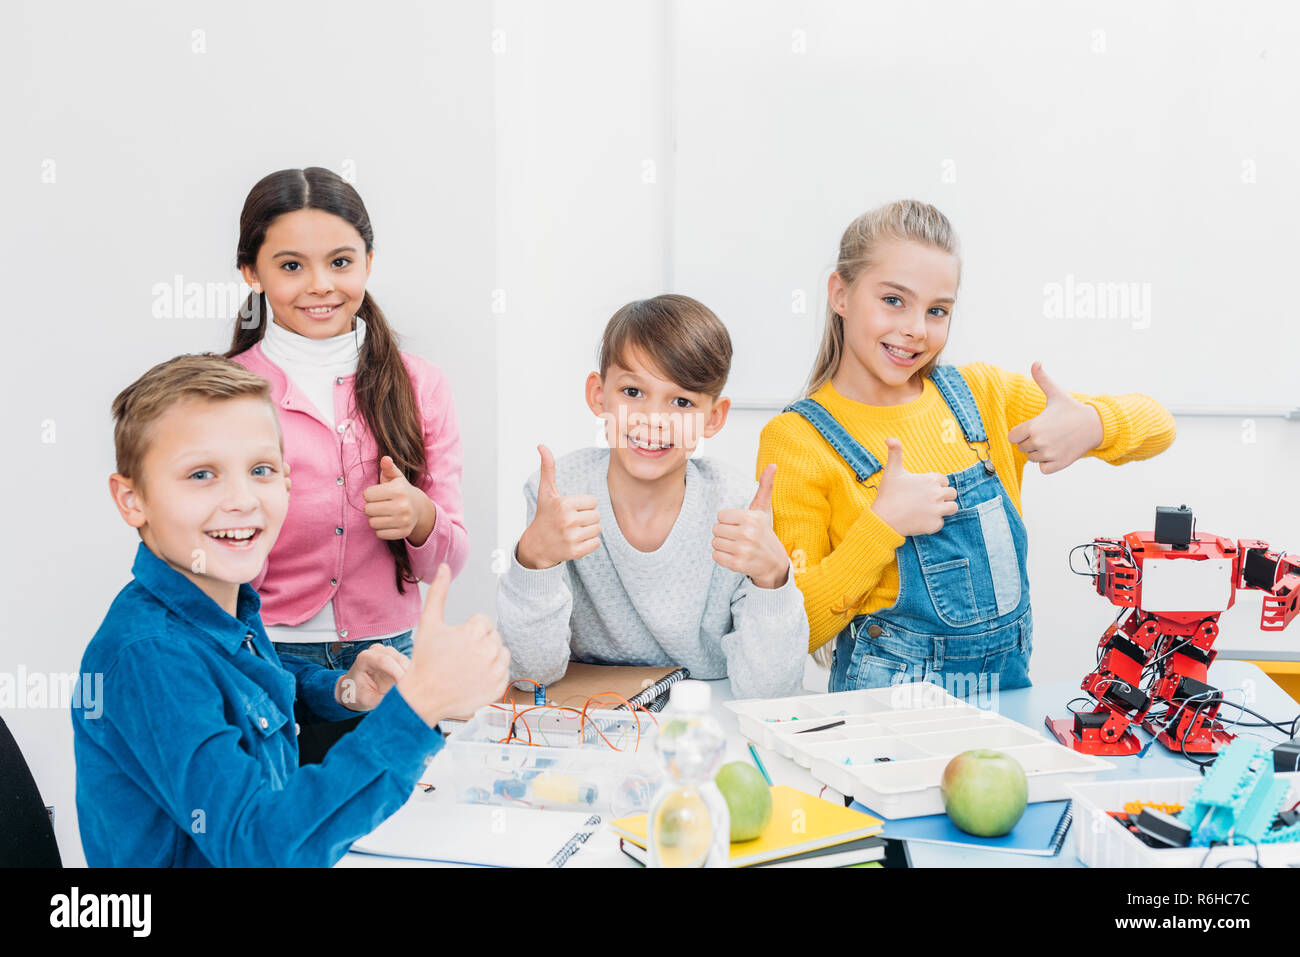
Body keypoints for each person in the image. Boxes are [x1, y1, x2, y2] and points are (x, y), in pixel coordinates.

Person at [73, 354, 507, 866]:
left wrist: (343, 687)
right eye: (201, 474)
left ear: (286, 480)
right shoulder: (151, 658)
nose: (240, 499)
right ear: (132, 500)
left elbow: (244, 699)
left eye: (260, 470)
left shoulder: (223, 602)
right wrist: (418, 709)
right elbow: (257, 848)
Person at [758, 200, 1176, 694]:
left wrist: (1093, 425)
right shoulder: (797, 440)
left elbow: (1159, 424)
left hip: (1003, 707)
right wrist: (881, 527)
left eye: (937, 310)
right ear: (840, 294)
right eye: (894, 300)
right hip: (878, 720)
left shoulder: (985, 396)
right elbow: (800, 624)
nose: (916, 328)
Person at [496, 295, 808, 700]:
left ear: (713, 417)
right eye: (632, 391)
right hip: (593, 716)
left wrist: (773, 581)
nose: (653, 419)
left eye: (681, 402)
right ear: (598, 395)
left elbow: (771, 693)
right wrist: (533, 560)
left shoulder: (737, 507)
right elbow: (530, 675)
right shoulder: (562, 493)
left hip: (704, 720)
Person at [226, 167, 468, 673]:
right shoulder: (224, 393)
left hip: (389, 653)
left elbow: (449, 564)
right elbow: (202, 553)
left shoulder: (421, 384)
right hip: (261, 652)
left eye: (340, 262)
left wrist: (420, 518)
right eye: (291, 266)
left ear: (369, 261)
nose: (320, 286)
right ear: (251, 271)